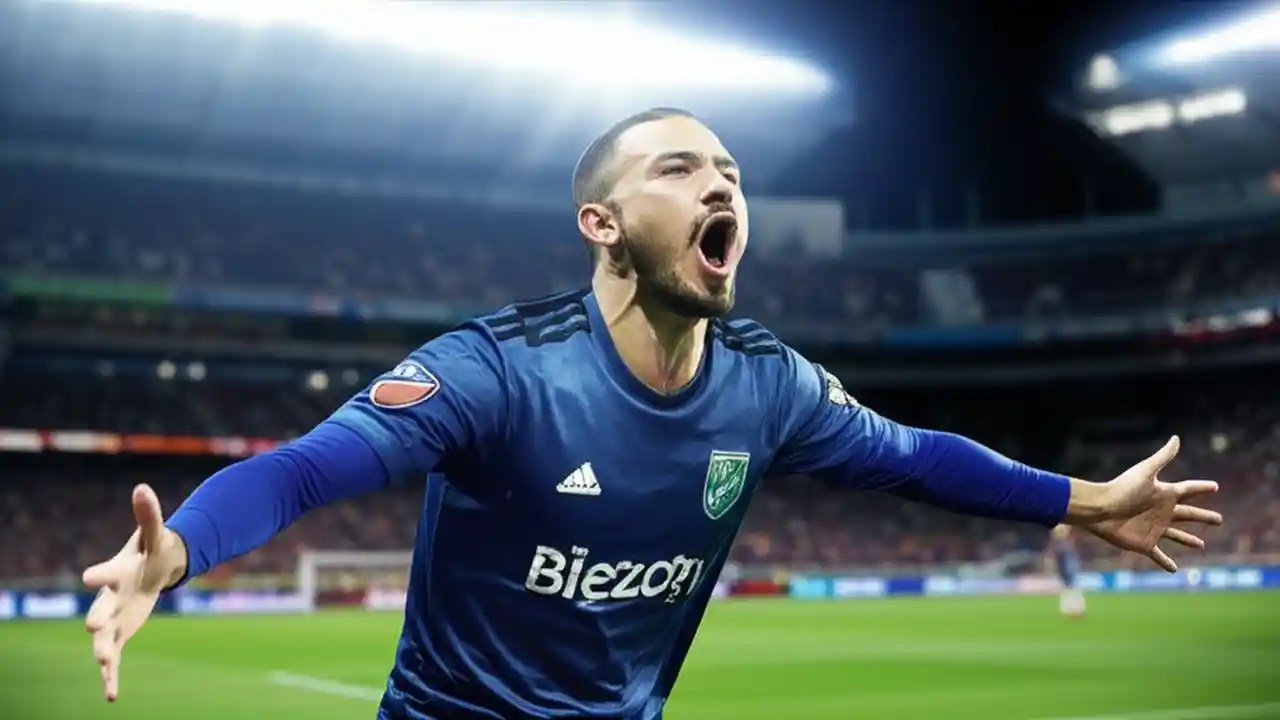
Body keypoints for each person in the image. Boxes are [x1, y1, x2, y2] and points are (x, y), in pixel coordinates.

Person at [82, 108, 1224, 719]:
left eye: (729, 171)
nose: (721, 185)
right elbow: (303, 469)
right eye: (680, 169)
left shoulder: (767, 383)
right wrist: (175, 552)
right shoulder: (496, 370)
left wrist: (1082, 503)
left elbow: (914, 457)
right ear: (601, 223)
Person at [1047, 524, 1086, 618]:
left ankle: (1075, 609)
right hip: (1064, 564)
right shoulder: (1060, 545)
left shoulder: (1065, 546)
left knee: (1071, 586)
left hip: (1066, 563)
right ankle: (1073, 609)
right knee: (1068, 586)